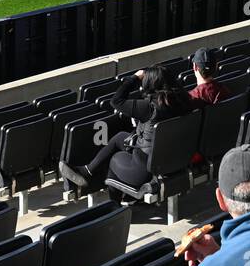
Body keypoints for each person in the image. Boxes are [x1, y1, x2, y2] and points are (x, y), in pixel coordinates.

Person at [59, 66, 194, 193]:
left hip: (145, 170)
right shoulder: (184, 102)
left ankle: (116, 206)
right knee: (120, 137)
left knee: (115, 158)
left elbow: (116, 101)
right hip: (173, 160)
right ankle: (86, 171)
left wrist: (135, 78)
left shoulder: (149, 108)